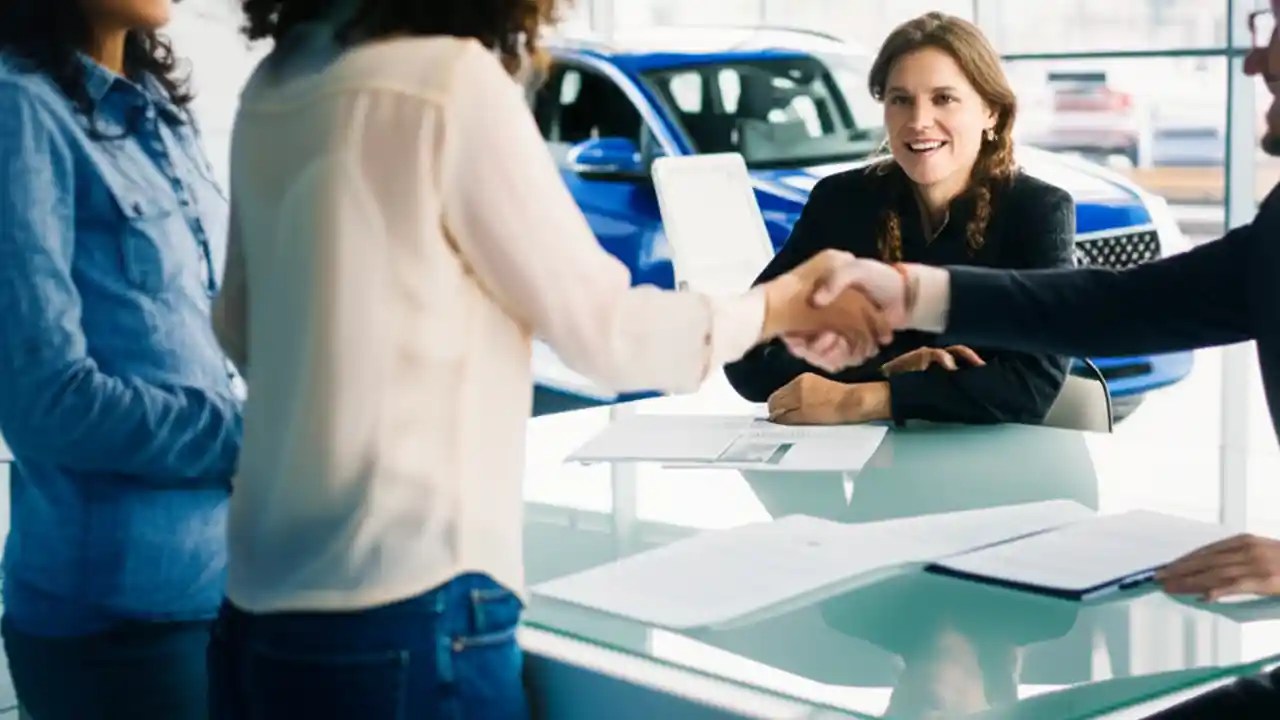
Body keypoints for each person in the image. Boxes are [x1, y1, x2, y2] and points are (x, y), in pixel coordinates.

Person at [206, 1, 890, 717]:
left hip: (257, 609)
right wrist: (778, 307)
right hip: (408, 605)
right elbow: (608, 334)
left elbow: (240, 328)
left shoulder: (277, 82)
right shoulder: (449, 83)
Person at [802, 1, 1280, 714]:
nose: (1254, 60)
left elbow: (1034, 376)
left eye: (1274, 31)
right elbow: (1113, 307)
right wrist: (910, 293)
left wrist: (865, 391)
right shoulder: (1277, 230)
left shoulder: (1035, 204)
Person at [0, 0, 243, 718]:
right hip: (118, 620)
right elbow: (47, 403)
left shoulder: (159, 111)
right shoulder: (18, 111)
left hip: (223, 585)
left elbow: (207, 336)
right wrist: (256, 438)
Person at [726, 13, 1072, 428]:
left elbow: (1032, 386)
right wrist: (888, 369)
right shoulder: (842, 200)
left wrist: (865, 399)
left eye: (944, 98)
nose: (918, 121)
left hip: (991, 464)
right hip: (867, 462)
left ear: (991, 112)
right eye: (900, 99)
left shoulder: (1037, 210)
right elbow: (744, 349)